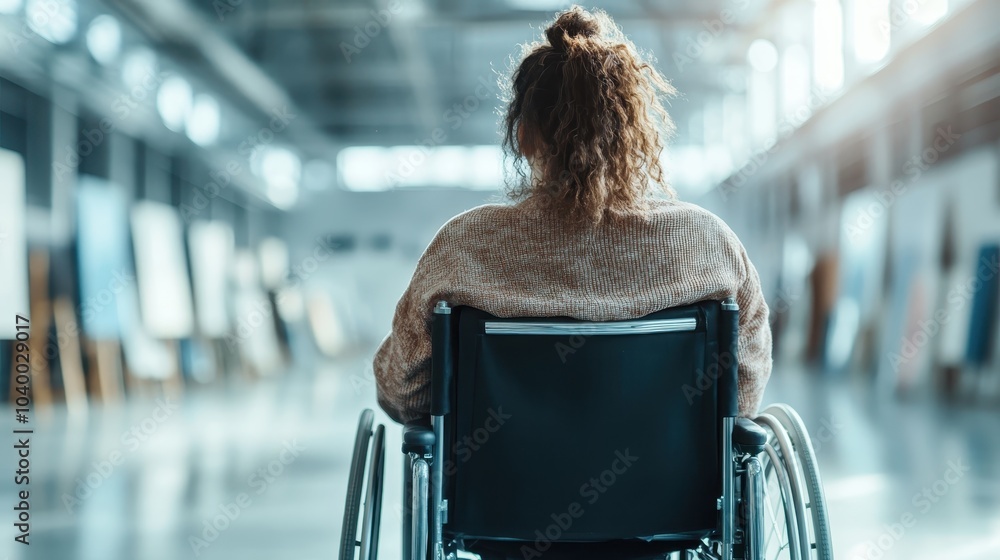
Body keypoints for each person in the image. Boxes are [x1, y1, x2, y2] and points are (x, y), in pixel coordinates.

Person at [373, 5, 771, 424]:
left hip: (501, 486)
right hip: (674, 487)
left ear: (523, 136)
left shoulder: (464, 245)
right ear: (633, 133)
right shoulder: (707, 243)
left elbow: (401, 392)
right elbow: (742, 398)